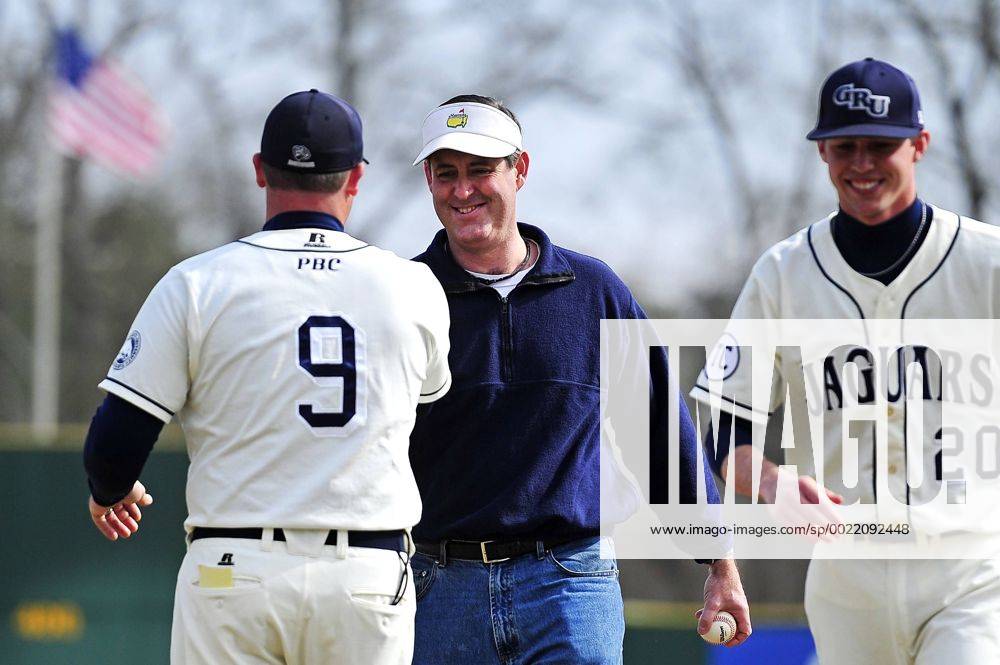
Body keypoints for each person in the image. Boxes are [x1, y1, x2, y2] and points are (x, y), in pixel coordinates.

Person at [82, 89, 452, 665]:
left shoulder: (197, 283)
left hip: (234, 573)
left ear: (260, 170)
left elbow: (115, 441)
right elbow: (423, 426)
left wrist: (110, 490)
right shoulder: (413, 286)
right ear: (355, 178)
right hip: (365, 577)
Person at [407, 95, 751, 664]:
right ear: (429, 181)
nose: (462, 190)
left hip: (568, 581)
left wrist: (719, 564)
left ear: (519, 169)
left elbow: (657, 433)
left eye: (480, 170)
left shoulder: (592, 290)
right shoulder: (405, 295)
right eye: (447, 174)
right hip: (439, 589)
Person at [691, 58, 1000, 664]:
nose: (862, 163)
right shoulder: (782, 273)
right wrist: (772, 482)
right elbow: (725, 434)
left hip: (974, 568)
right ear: (822, 153)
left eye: (880, 145)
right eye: (845, 146)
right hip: (844, 578)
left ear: (919, 145)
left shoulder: (985, 262)